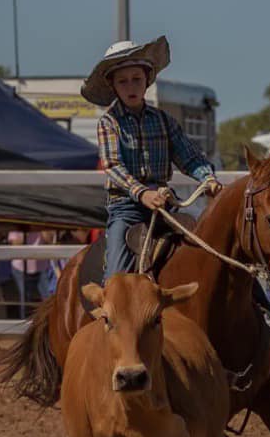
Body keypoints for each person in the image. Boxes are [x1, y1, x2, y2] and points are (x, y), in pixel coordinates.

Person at [81, 36, 221, 281]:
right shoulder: (109, 122)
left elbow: (189, 157)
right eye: (123, 82)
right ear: (113, 86)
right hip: (126, 207)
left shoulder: (164, 120)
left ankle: (256, 302)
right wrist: (142, 193)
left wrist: (207, 178)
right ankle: (112, 312)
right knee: (117, 276)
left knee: (213, 246)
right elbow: (113, 166)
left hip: (165, 202)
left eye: (136, 79)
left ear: (147, 81)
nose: (131, 86)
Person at [8, 230, 52, 318]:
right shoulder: (18, 223)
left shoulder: (42, 223)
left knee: (48, 298)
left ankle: (48, 323)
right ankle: (25, 325)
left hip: (41, 266)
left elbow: (49, 240)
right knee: (25, 299)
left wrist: (42, 227)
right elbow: (14, 244)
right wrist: (27, 231)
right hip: (20, 268)